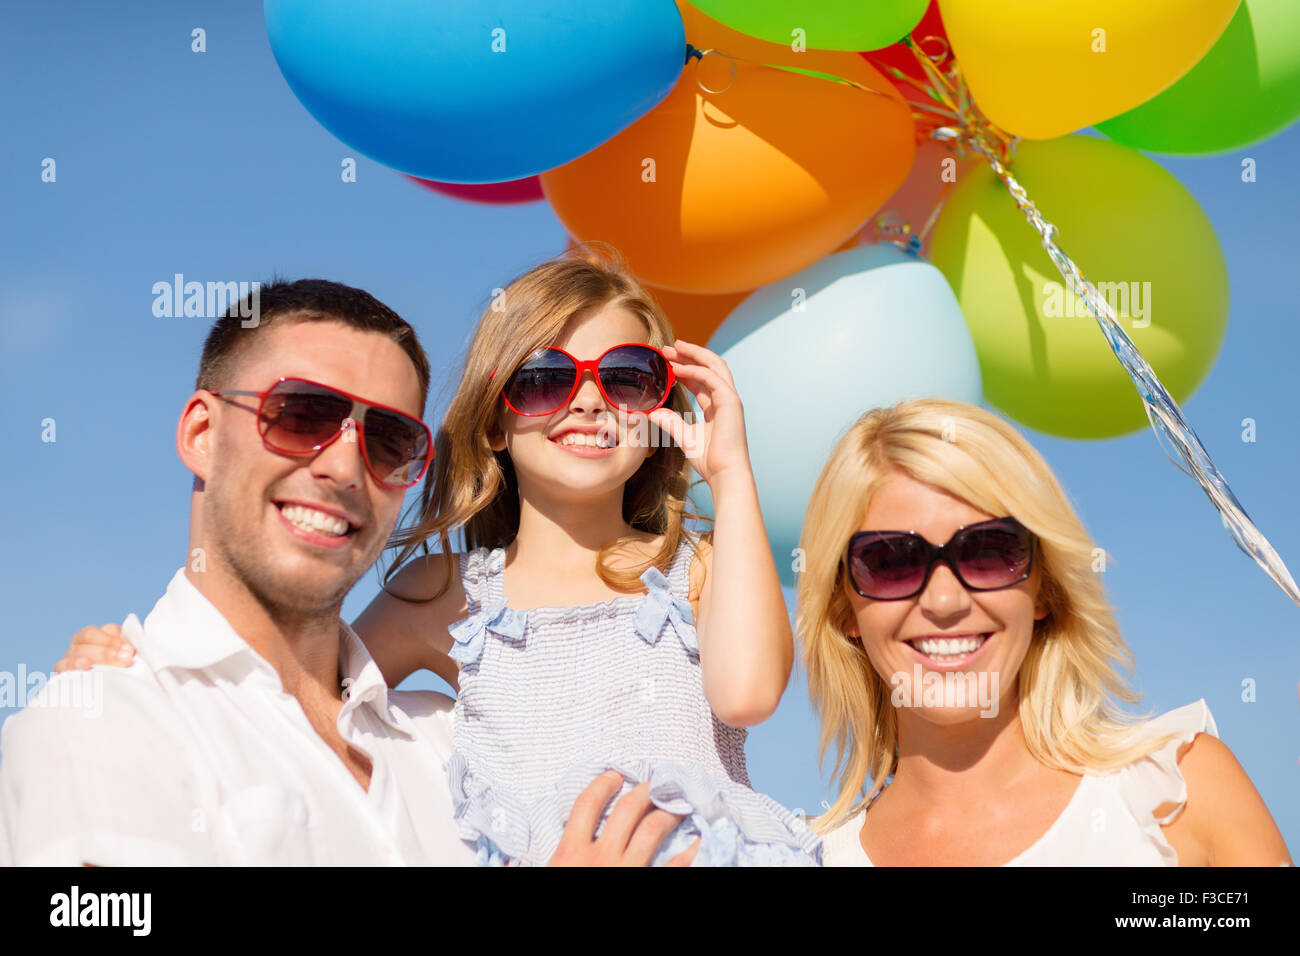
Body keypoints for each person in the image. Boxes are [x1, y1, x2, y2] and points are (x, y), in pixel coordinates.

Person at [51, 247, 820, 866]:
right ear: (492, 423)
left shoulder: (695, 564)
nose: (589, 401)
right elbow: (299, 695)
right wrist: (145, 673)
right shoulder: (447, 592)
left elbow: (747, 695)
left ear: (659, 408)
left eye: (626, 378)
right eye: (546, 379)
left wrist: (732, 473)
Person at [797, 398, 1292, 866]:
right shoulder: (801, 857)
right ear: (844, 608)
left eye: (988, 551)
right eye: (892, 562)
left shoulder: (1178, 797)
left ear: (1044, 589)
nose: (944, 602)